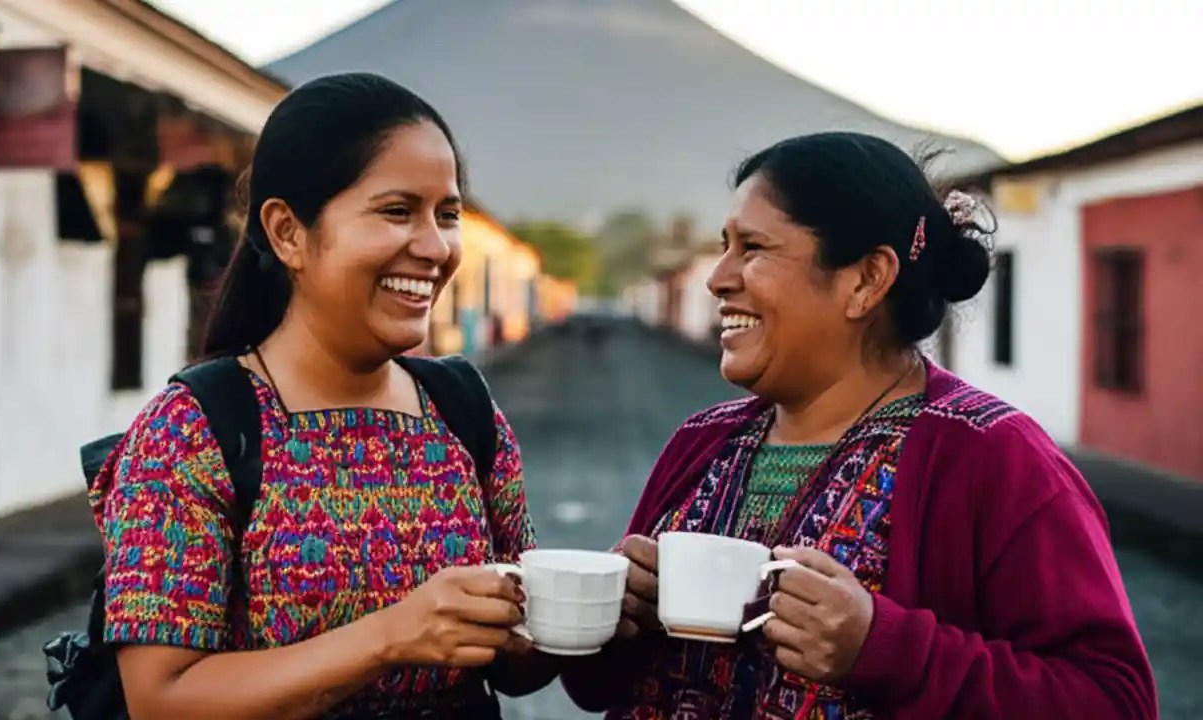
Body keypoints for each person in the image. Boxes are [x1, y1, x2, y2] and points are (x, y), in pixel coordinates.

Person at [561, 132, 1157, 719]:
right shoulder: (702, 444)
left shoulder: (993, 457)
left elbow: (1116, 699)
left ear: (867, 280)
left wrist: (887, 650)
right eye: (725, 245)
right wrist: (618, 620)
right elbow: (596, 689)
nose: (719, 277)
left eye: (753, 248)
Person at [88, 73, 558, 719]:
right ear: (287, 233)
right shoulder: (194, 430)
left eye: (446, 215)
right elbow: (160, 699)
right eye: (397, 211)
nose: (435, 247)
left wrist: (597, 617)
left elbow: (513, 660)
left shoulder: (463, 411)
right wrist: (390, 637)